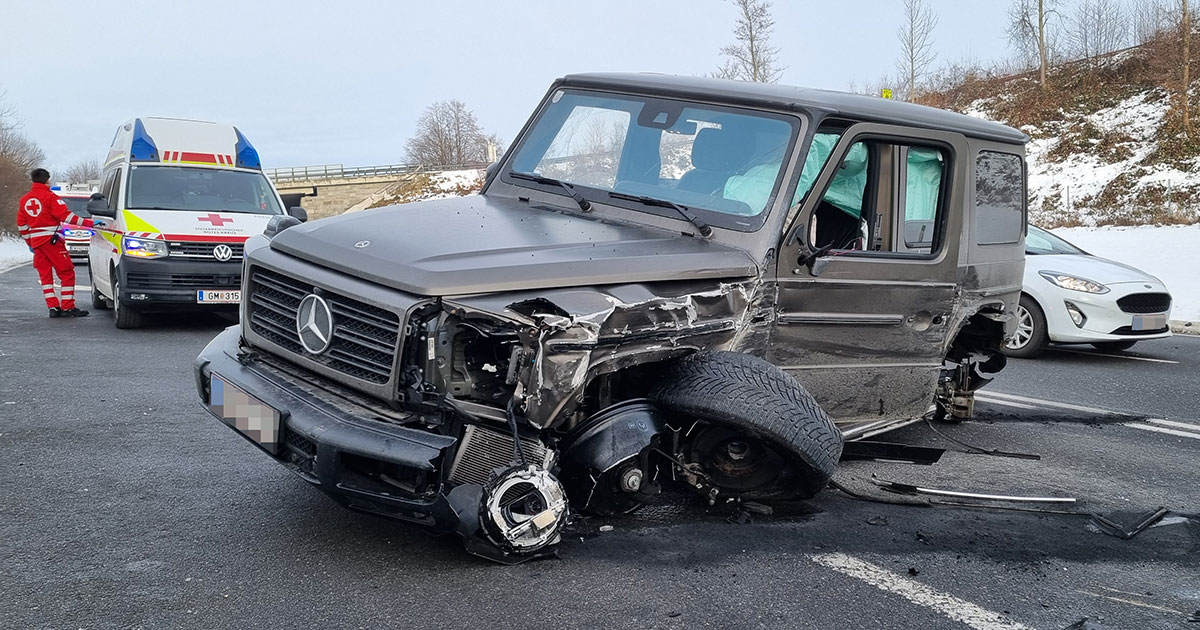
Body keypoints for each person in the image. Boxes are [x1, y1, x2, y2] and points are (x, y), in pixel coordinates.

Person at [16, 168, 106, 318]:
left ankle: (53, 307)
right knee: (66, 272)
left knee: (45, 276)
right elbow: (66, 216)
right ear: (47, 180)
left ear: (32, 180)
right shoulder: (50, 197)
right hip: (52, 241)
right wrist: (89, 223)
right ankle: (68, 307)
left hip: (37, 243)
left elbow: (22, 225)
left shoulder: (24, 200)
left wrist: (30, 242)